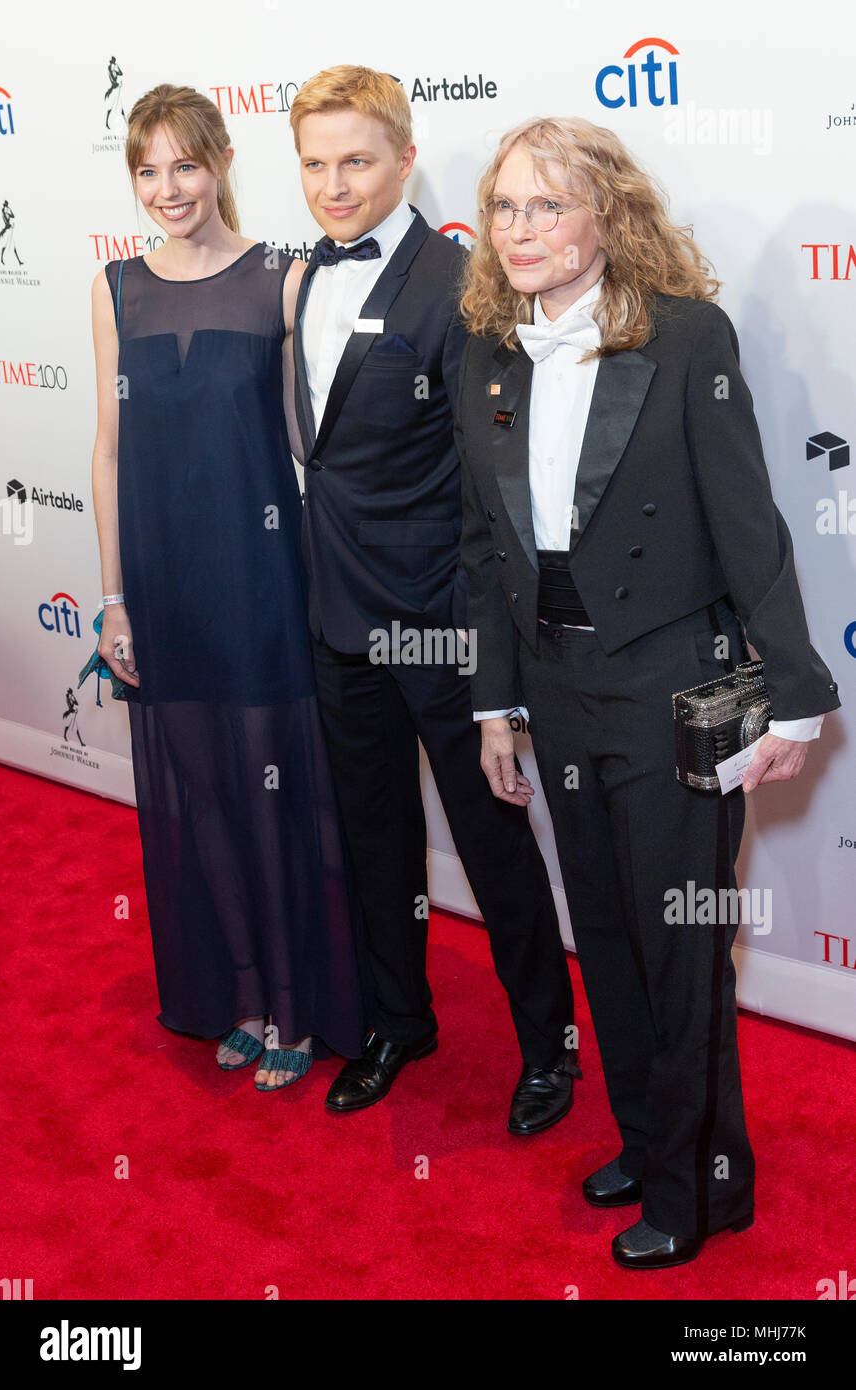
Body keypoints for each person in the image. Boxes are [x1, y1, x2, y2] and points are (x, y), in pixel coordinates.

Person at [456, 116, 840, 1267]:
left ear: (604, 219)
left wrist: (794, 694)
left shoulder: (681, 339)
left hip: (676, 688)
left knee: (681, 951)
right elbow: (482, 546)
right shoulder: (484, 350)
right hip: (559, 689)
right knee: (610, 941)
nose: (521, 229)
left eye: (548, 205)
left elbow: (746, 522)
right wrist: (490, 703)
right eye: (506, 207)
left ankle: (705, 1184)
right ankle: (647, 1142)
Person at [287, 66, 579, 1129]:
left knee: (494, 846)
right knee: (371, 836)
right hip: (335, 618)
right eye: (314, 163)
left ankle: (548, 1043)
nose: (332, 184)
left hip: (444, 626)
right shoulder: (302, 276)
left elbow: (487, 485)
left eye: (355, 160)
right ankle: (397, 1018)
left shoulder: (461, 280)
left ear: (406, 158)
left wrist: (480, 644)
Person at [90, 83, 368, 1093]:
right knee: (204, 793)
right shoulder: (115, 289)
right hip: (162, 586)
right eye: (149, 171)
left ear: (219, 164)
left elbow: (307, 443)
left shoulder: (278, 282)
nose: (169, 189)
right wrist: (115, 598)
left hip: (256, 576)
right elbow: (109, 448)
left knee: (272, 790)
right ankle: (245, 991)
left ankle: (298, 1005)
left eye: (186, 165)